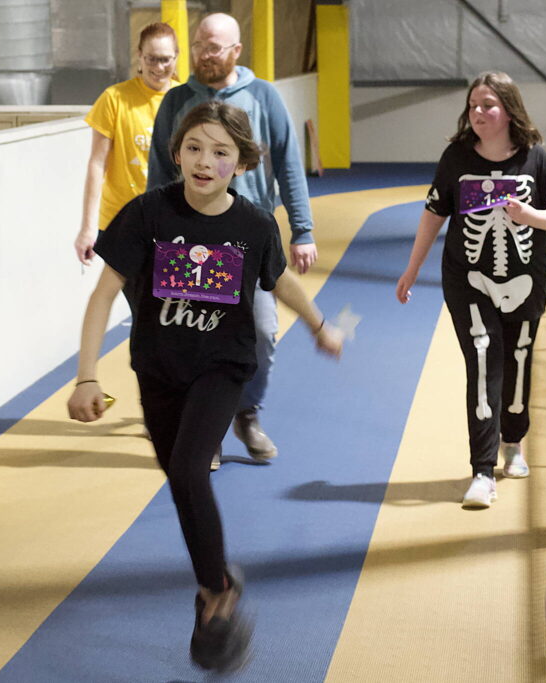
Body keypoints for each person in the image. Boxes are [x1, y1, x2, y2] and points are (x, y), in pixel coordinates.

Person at [68, 100, 343, 671]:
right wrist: (87, 375)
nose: (203, 161)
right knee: (180, 479)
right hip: (158, 370)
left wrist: (319, 326)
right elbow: (103, 293)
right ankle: (214, 581)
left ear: (240, 164)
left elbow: (279, 281)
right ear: (176, 153)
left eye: (220, 152)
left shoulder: (253, 225)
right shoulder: (147, 214)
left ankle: (216, 595)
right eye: (193, 147)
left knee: (191, 470)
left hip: (223, 367)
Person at [395, 72, 546, 509]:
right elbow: (434, 213)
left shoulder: (536, 158)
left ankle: (514, 442)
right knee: (482, 361)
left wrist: (530, 216)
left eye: (488, 105)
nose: (478, 112)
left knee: (518, 360)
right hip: (468, 279)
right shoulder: (456, 158)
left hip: (528, 279)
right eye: (473, 105)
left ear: (509, 110)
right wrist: (412, 269)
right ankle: (482, 469)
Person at [148, 12, 316, 468]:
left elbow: (289, 164)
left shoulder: (264, 97)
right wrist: (154, 238)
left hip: (249, 243)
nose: (204, 54)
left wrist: (302, 230)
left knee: (260, 332)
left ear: (236, 51)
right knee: (195, 341)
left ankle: (246, 411)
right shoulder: (177, 101)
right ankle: (208, 431)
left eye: (214, 47)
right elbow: (158, 173)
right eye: (199, 45)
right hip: (190, 244)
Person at [75, 22, 179, 265]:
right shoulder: (114, 99)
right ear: (139, 56)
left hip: (174, 223)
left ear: (176, 57)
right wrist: (87, 227)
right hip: (122, 222)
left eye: (165, 59)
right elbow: (97, 164)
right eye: (152, 59)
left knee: (171, 289)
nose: (159, 67)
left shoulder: (185, 98)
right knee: (130, 288)